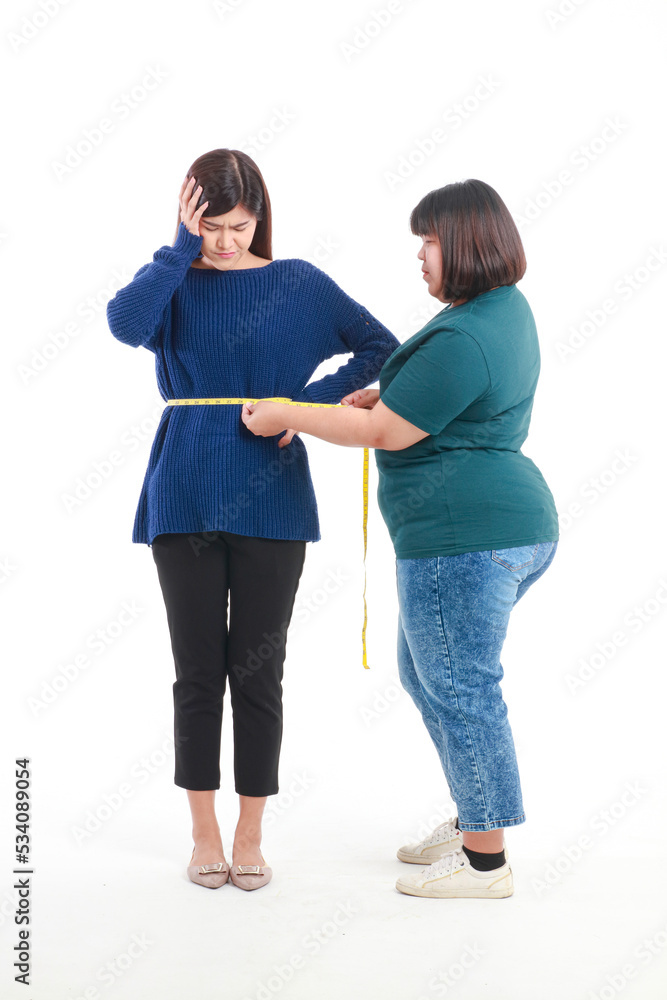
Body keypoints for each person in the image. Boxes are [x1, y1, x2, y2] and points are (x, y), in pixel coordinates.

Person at [242, 178, 560, 899]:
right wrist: (388, 389)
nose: (420, 255)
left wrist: (294, 411)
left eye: (430, 240)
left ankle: (486, 863)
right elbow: (434, 403)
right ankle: (476, 818)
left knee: (459, 687)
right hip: (498, 531)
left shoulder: (466, 333)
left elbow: (383, 435)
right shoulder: (496, 313)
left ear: (467, 243)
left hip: (464, 538)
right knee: (431, 679)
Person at [106, 148, 400, 891]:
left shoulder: (295, 282)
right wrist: (178, 249)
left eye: (238, 225)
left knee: (258, 671)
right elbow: (122, 323)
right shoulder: (171, 281)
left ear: (258, 216)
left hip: (272, 493)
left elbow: (381, 347)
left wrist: (308, 407)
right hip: (183, 488)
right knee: (197, 670)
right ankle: (202, 828)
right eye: (211, 227)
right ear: (189, 218)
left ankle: (250, 829)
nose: (226, 241)